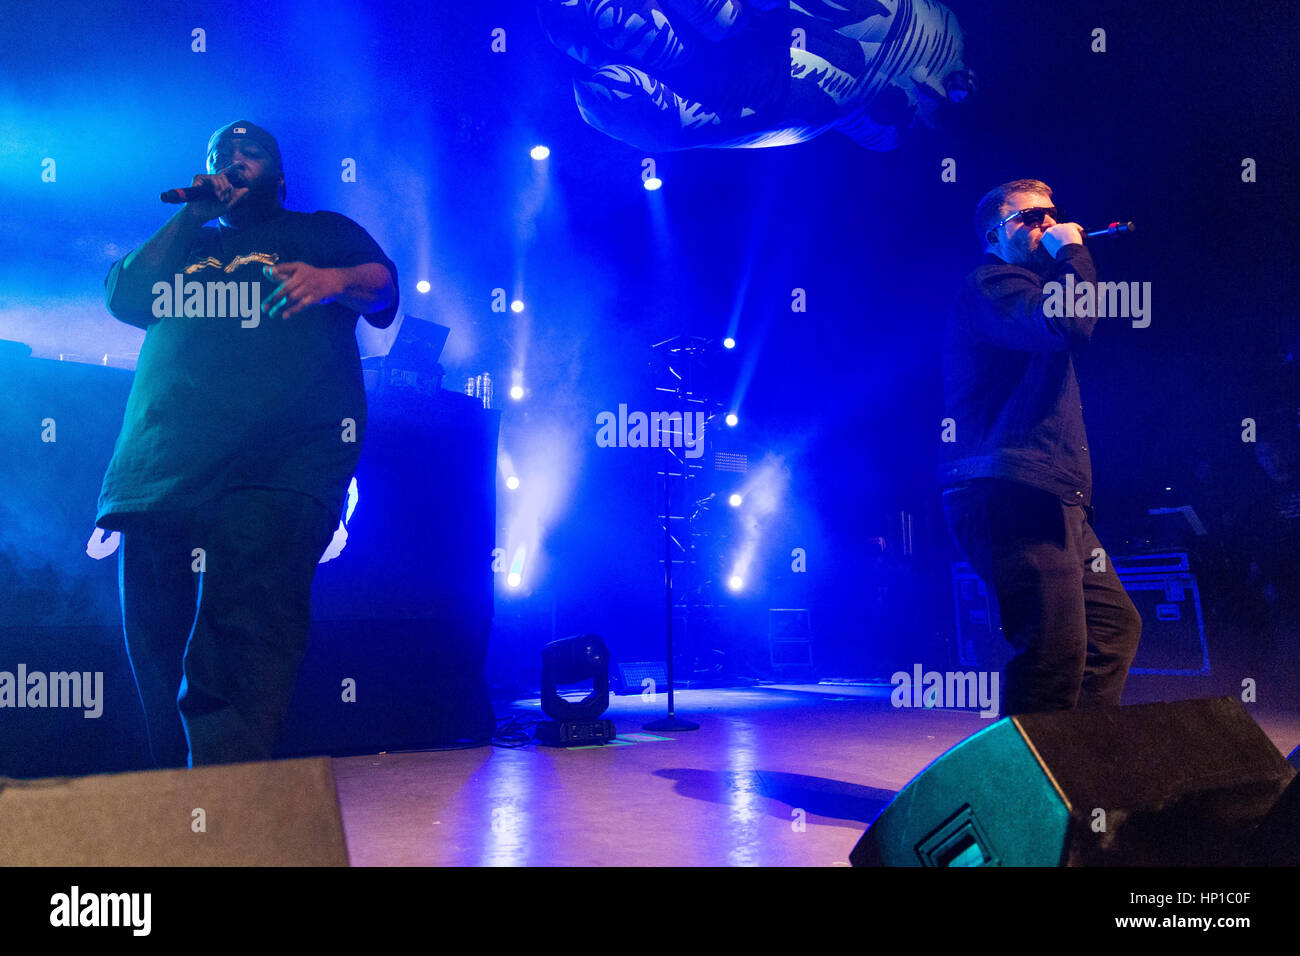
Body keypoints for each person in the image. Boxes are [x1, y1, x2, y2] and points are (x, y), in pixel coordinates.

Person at [95, 121, 398, 766]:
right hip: (161, 467)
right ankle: (178, 818)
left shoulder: (320, 231)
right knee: (157, 652)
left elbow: (383, 282)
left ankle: (224, 821)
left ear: (280, 175)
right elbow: (124, 297)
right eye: (216, 156)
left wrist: (334, 280)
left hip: (279, 466)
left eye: (247, 153)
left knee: (240, 645)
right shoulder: (187, 241)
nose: (229, 161)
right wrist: (191, 217)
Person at [939, 178, 1141, 715]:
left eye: (1052, 215)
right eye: (1029, 219)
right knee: (1053, 651)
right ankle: (1024, 793)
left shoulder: (1028, 293)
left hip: (1054, 493)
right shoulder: (989, 285)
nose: (1047, 224)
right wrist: (1073, 251)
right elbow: (1069, 322)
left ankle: (1080, 769)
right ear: (992, 234)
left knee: (1112, 628)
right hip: (1008, 491)